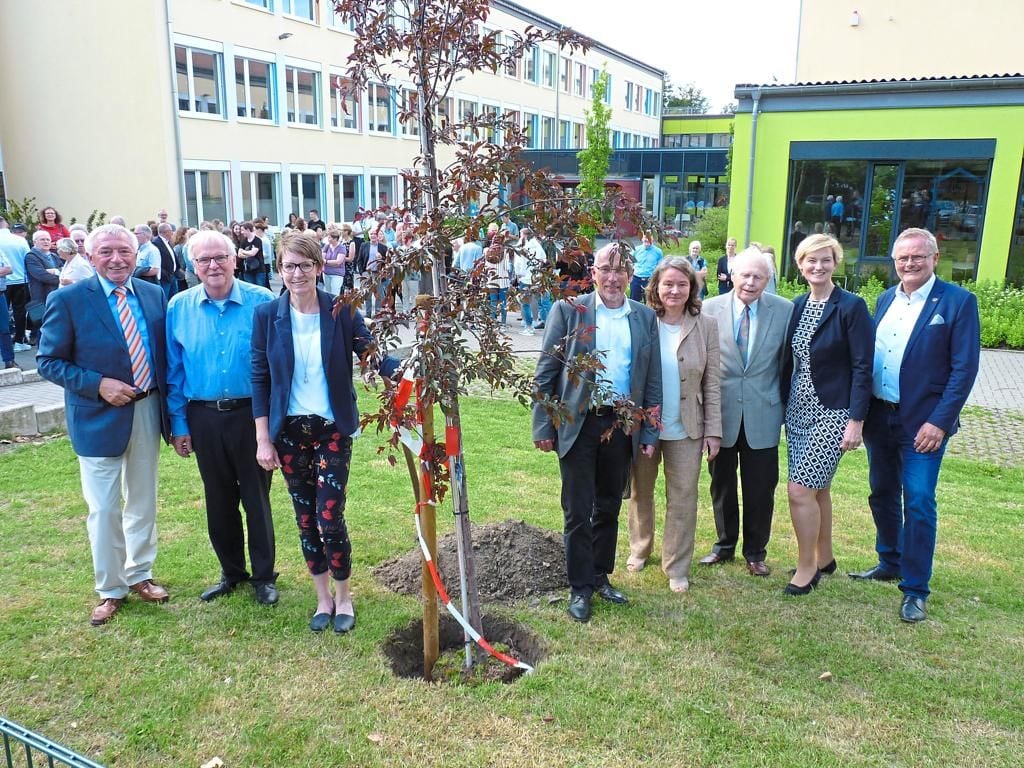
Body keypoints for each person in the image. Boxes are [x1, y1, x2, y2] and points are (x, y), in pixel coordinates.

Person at [252, 231, 397, 633]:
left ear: (319, 267)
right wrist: (263, 438)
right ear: (279, 270)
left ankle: (345, 596)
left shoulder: (340, 311)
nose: (296, 273)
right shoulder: (267, 316)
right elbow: (259, 379)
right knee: (304, 519)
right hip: (287, 433)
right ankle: (322, 599)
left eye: (304, 265)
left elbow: (371, 353)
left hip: (331, 429)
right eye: (288, 265)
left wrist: (405, 373)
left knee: (329, 517)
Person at [36, 224, 172, 626]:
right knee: (104, 507)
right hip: (96, 417)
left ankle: (140, 574)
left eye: (125, 251)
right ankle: (110, 589)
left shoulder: (152, 294)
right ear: (90, 256)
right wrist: (98, 385)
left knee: (142, 500)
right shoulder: (70, 299)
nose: (117, 259)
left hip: (147, 409)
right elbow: (48, 360)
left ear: (136, 254)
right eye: (107, 252)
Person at [853, 228, 981, 623]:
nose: (909, 264)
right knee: (882, 493)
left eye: (917, 257)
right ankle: (889, 561)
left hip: (923, 425)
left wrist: (939, 423)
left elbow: (964, 369)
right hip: (881, 416)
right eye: (902, 258)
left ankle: (915, 588)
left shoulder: (958, 302)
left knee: (920, 500)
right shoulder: (886, 298)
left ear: (934, 258)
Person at [532, 242, 662, 623]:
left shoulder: (643, 318)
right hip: (578, 423)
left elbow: (651, 380)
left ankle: (600, 576)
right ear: (593, 273)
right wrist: (543, 424)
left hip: (621, 426)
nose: (613, 277)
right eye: (606, 269)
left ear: (631, 275)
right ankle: (579, 588)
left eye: (621, 270)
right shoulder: (569, 311)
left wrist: (650, 432)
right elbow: (546, 373)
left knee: (608, 504)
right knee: (577, 510)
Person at [166, 231, 279, 605]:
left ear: (235, 260)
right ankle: (232, 572)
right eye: (204, 260)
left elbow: (278, 367)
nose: (213, 266)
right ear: (192, 266)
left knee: (256, 498)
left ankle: (264, 576)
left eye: (220, 258)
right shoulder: (178, 307)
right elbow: (174, 371)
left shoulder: (262, 302)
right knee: (218, 499)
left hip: (252, 416)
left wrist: (273, 426)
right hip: (204, 417)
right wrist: (179, 424)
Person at [780, 234, 873, 595]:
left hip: (834, 411)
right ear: (800, 265)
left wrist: (857, 419)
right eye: (810, 261)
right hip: (798, 411)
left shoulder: (851, 306)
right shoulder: (798, 304)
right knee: (818, 490)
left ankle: (806, 569)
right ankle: (824, 557)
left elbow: (863, 366)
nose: (818, 267)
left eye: (825, 260)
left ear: (836, 263)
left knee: (799, 490)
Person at [626, 257, 721, 593]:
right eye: (668, 283)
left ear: (692, 288)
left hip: (688, 428)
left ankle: (677, 565)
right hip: (646, 426)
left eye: (682, 284)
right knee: (642, 492)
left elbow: (712, 382)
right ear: (656, 286)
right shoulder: (641, 319)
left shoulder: (706, 325)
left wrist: (714, 431)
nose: (675, 290)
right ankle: (640, 548)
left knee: (683, 497)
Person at [698, 248, 793, 576]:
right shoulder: (708, 309)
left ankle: (755, 552)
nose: (750, 282)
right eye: (745, 275)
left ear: (768, 280)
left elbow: (789, 364)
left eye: (759, 277)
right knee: (721, 484)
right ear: (732, 274)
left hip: (763, 413)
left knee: (761, 487)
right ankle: (724, 546)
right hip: (720, 413)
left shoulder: (785, 311)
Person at [0, 223, 31, 349]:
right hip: (19, 280)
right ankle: (19, 341)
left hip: (3, 281)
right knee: (20, 312)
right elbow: (28, 259)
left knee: (2, 312)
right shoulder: (20, 240)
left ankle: (4, 344)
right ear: (6, 224)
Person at [629, 232, 663, 303]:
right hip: (636, 279)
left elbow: (660, 267)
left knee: (650, 301)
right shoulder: (635, 250)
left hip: (650, 280)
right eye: (645, 237)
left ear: (653, 239)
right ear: (642, 238)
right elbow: (629, 263)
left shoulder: (658, 252)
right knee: (634, 301)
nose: (647, 239)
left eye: (649, 237)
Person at [322, 227, 348, 296]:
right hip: (326, 273)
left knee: (334, 294)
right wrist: (327, 262)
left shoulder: (341, 247)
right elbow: (322, 258)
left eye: (330, 237)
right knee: (327, 293)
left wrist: (326, 262)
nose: (328, 239)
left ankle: (335, 306)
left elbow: (338, 262)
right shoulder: (327, 246)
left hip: (337, 274)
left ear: (335, 238)